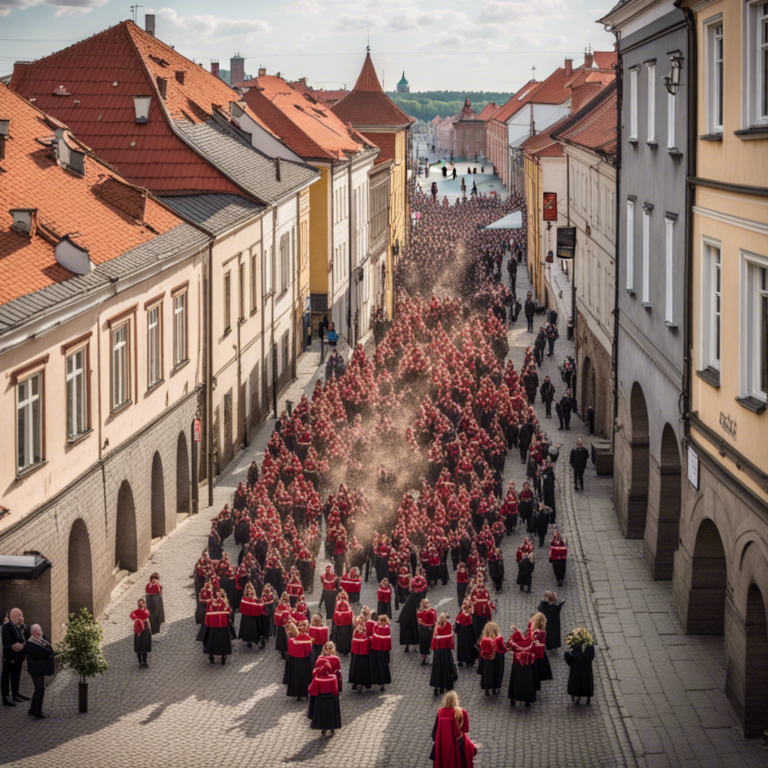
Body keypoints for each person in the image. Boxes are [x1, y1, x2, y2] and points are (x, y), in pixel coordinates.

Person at [431, 691, 477, 768]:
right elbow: (465, 729)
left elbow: (436, 729)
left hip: (442, 742)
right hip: (458, 741)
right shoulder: (462, 712)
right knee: (470, 751)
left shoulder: (440, 711)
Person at [24, 625, 54, 719]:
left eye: (39, 632)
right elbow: (44, 653)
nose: (38, 634)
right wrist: (47, 649)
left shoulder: (43, 640)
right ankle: (35, 710)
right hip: (35, 669)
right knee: (39, 688)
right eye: (36, 632)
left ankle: (35, 709)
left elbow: (50, 649)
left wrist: (47, 648)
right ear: (32, 633)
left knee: (41, 688)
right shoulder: (30, 644)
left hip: (40, 668)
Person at [2, 607, 29, 707]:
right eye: (19, 615)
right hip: (10, 658)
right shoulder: (7, 627)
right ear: (14, 617)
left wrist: (23, 645)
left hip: (19, 657)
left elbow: (27, 640)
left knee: (16, 676)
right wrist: (12, 653)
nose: (21, 618)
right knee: (6, 677)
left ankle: (15, 694)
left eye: (21, 615)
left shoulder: (22, 627)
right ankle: (5, 697)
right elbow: (7, 644)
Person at [307, 657, 341, 737]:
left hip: (321, 700)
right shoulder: (333, 677)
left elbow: (312, 690)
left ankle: (323, 728)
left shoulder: (316, 679)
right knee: (331, 714)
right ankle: (332, 727)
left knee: (322, 715)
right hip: (331, 700)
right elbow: (336, 691)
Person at [507, 625, 537, 707]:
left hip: (517, 664)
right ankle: (527, 700)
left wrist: (516, 632)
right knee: (527, 682)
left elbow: (509, 644)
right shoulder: (530, 641)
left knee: (515, 681)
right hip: (527, 665)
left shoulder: (515, 641)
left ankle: (513, 698)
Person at [284, 620, 313, 701]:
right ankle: (303, 693)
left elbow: (291, 643)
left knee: (301, 677)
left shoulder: (303, 638)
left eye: (303, 625)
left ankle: (301, 694)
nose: (301, 627)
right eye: (300, 625)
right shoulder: (307, 638)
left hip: (302, 661)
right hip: (303, 660)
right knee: (302, 677)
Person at [430, 613, 457, 696]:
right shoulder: (437, 627)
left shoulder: (448, 626)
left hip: (445, 650)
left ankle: (448, 685)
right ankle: (436, 686)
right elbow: (434, 638)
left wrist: (451, 648)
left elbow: (450, 638)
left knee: (447, 667)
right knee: (437, 668)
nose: (442, 619)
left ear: (446, 618)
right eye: (441, 617)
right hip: (438, 651)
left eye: (443, 617)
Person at [477, 621, 506, 696]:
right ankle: (495, 688)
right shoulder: (499, 638)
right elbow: (502, 647)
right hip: (498, 656)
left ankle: (487, 688)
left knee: (487, 672)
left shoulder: (484, 639)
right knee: (497, 672)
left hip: (487, 658)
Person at [203, 590, 232, 665]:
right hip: (215, 624)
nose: (219, 594)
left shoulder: (222, 601)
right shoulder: (212, 602)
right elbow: (208, 611)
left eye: (220, 593)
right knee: (214, 640)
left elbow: (227, 610)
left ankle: (222, 656)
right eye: (218, 593)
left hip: (221, 624)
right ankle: (212, 655)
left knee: (221, 640)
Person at [565, 633, 595, 704]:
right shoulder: (589, 647)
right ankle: (587, 695)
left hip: (577, 668)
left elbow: (571, 657)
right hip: (586, 668)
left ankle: (576, 694)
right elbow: (592, 656)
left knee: (576, 680)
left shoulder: (575, 648)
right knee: (586, 680)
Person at [239, 583, 267, 649]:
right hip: (251, 617)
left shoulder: (249, 599)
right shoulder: (248, 599)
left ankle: (251, 641)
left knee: (252, 629)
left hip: (250, 617)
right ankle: (250, 640)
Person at [349, 616, 372, 692]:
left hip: (362, 654)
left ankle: (363, 682)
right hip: (358, 654)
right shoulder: (355, 631)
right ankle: (357, 682)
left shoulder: (365, 630)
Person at [530, 612, 553, 688]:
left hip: (533, 654)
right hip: (540, 654)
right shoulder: (543, 632)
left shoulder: (534, 631)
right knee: (538, 671)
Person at [370, 614, 392, 691]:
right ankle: (383, 683)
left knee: (379, 667)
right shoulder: (387, 628)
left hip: (378, 651)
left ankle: (380, 681)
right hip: (384, 652)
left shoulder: (377, 627)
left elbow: (374, 637)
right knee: (383, 667)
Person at [454, 599, 477, 668]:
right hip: (469, 633)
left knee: (462, 646)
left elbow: (457, 626)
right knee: (469, 646)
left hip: (462, 634)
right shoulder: (470, 616)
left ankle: (461, 660)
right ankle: (469, 660)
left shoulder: (460, 616)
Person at [330, 591, 353, 656]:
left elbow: (337, 614)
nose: (342, 599)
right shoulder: (340, 604)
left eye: (343, 598)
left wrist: (340, 616)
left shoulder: (344, 605)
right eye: (341, 597)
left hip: (342, 625)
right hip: (344, 626)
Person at [131, 598, 152, 667]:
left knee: (145, 646)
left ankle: (145, 661)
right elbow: (132, 615)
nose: (140, 604)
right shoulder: (136, 611)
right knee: (139, 647)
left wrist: (149, 629)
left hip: (145, 630)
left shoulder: (146, 611)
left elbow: (147, 620)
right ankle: (140, 661)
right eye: (139, 603)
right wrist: (136, 618)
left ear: (144, 604)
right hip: (138, 630)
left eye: (142, 603)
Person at [417, 598, 437, 666]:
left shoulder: (431, 611)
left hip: (429, 628)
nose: (427, 604)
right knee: (424, 644)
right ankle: (424, 658)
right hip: (425, 629)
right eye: (426, 603)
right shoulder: (422, 612)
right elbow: (419, 621)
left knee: (430, 643)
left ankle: (429, 658)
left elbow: (434, 619)